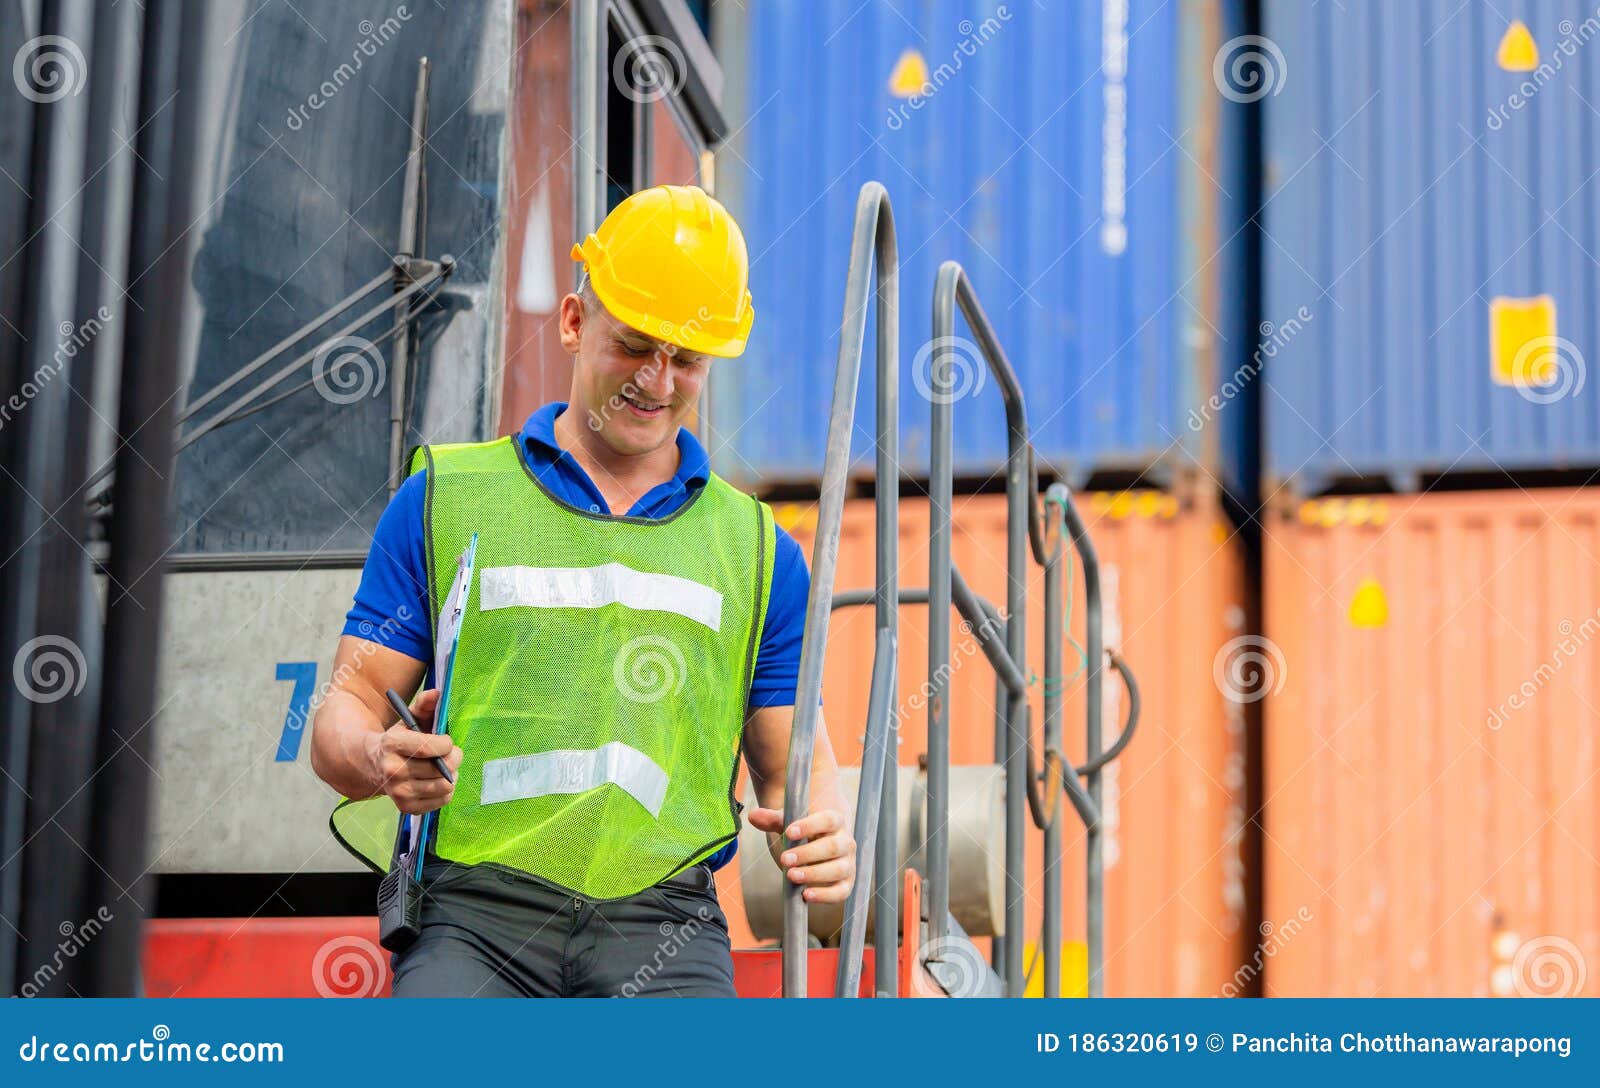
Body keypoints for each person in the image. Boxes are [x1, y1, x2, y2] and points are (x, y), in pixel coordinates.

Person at [310, 185, 853, 997]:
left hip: (663, 924)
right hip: (475, 915)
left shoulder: (761, 553)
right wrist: (376, 756)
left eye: (688, 358)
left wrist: (830, 836)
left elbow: (792, 774)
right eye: (635, 345)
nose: (659, 380)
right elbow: (344, 713)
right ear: (573, 320)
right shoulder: (446, 500)